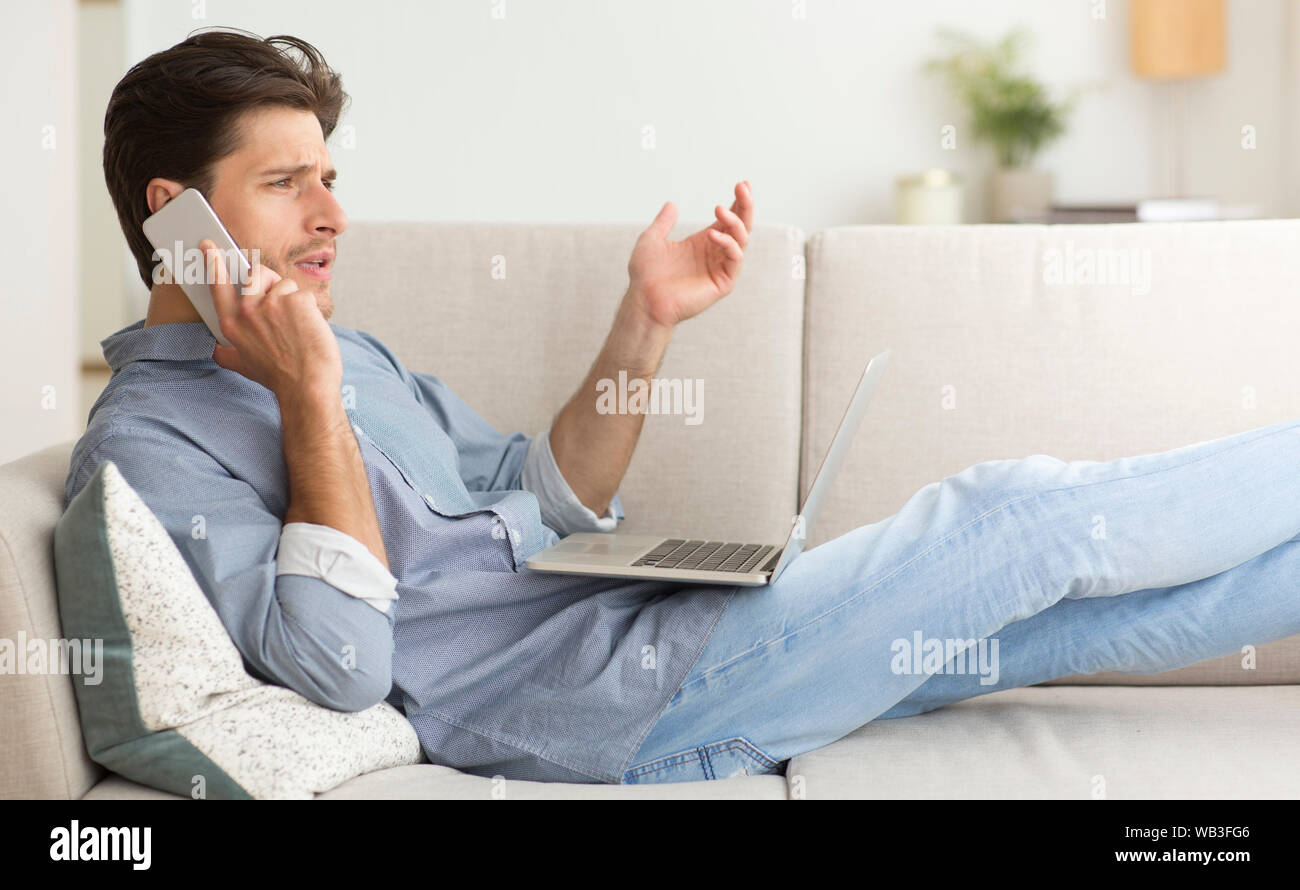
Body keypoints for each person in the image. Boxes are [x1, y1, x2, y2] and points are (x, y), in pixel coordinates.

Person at [69, 28, 1300, 787]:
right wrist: (308, 398)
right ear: (179, 221)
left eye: (331, 177)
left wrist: (644, 318)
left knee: (1065, 621)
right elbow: (343, 670)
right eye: (286, 185)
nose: (333, 213)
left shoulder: (354, 351)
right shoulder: (148, 447)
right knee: (1013, 516)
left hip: (647, 619)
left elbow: (546, 497)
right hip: (602, 704)